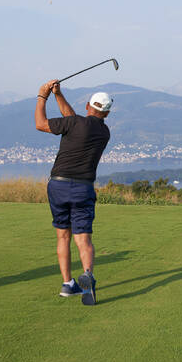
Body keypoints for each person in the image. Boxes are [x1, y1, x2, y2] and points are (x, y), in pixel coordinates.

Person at [36, 80, 113, 305]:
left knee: (63, 235)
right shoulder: (104, 131)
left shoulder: (74, 123)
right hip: (83, 188)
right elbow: (73, 118)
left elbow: (40, 124)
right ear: (106, 113)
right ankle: (87, 275)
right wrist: (59, 95)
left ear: (88, 105)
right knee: (83, 238)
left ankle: (68, 283)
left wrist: (43, 96)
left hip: (58, 185)